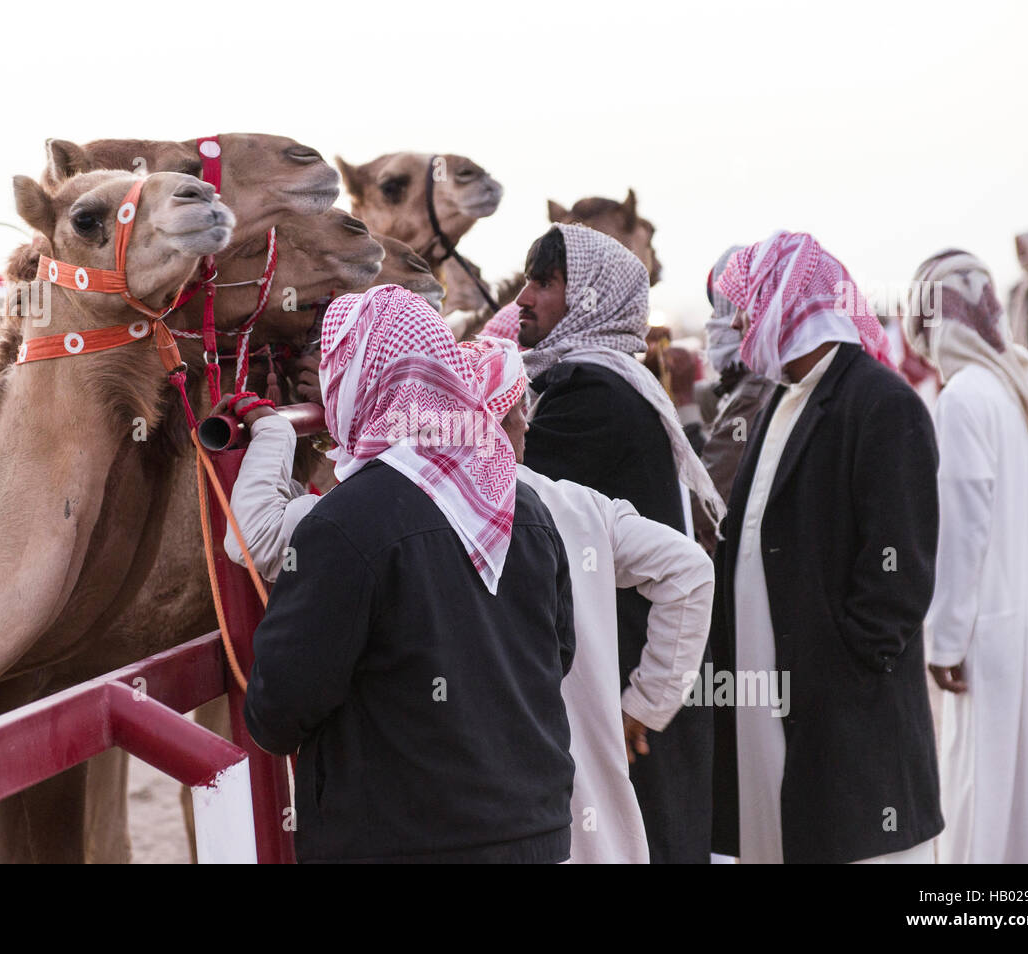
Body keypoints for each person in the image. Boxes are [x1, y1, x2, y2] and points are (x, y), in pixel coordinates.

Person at [225, 334, 716, 864]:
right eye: (514, 409)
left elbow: (249, 542)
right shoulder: (569, 506)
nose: (528, 423)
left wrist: (273, 432)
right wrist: (643, 707)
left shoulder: (349, 516)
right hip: (560, 817)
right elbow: (686, 572)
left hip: (422, 832)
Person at [242, 285, 577, 863]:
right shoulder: (524, 507)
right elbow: (557, 654)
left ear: (358, 377)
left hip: (399, 841)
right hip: (534, 832)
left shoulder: (343, 524)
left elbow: (278, 709)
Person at [709, 230, 943, 864]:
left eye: (747, 303)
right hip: (768, 696)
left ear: (790, 303)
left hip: (842, 710)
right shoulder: (781, 401)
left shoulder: (881, 403)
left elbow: (900, 573)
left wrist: (843, 667)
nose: (735, 322)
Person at [515, 222, 725, 863]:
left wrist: (643, 702)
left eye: (545, 282)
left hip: (629, 693)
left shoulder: (589, 395)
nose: (524, 298)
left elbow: (496, 491)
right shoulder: (608, 381)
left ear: (587, 301)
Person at [906, 249, 1028, 864]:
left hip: (992, 628)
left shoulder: (963, 398)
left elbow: (963, 531)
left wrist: (945, 641)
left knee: (981, 784)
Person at [692, 245, 775, 554]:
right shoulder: (751, 385)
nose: (729, 322)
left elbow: (703, 505)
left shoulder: (757, 391)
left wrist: (685, 404)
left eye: (720, 306)